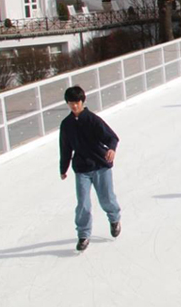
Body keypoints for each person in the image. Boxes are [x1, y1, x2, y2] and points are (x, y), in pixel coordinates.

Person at [60, 86, 122, 252]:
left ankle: (114, 218)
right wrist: (63, 167)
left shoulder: (92, 120)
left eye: (77, 102)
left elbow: (112, 137)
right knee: (83, 204)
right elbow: (65, 148)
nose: (74, 106)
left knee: (106, 198)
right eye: (71, 103)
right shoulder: (66, 125)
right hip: (82, 169)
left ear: (82, 102)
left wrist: (111, 149)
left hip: (101, 166)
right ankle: (83, 235)